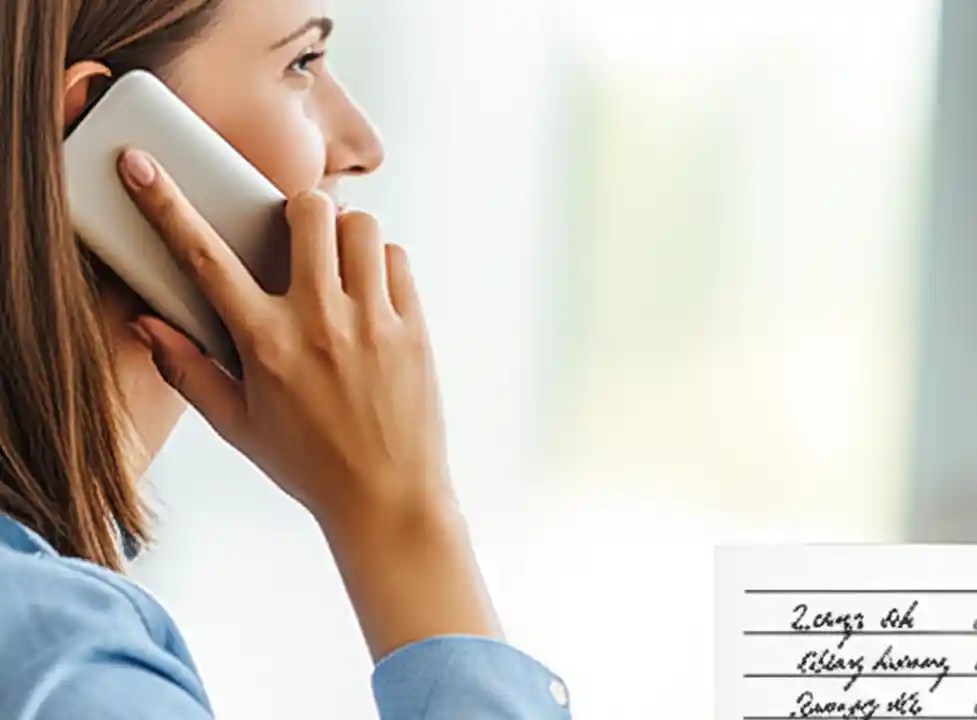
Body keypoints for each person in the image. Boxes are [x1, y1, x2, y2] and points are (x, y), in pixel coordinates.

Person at [0, 0, 571, 717]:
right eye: (301, 62)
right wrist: (403, 521)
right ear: (98, 121)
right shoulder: (64, 667)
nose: (363, 146)